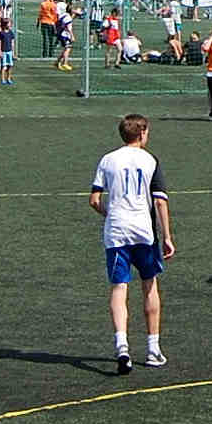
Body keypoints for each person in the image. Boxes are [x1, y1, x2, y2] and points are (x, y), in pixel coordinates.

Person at [91, 114, 174, 373]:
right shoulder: (150, 160)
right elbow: (159, 201)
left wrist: (111, 214)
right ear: (142, 133)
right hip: (143, 231)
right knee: (149, 285)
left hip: (116, 232)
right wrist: (168, 236)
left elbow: (94, 200)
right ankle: (152, 349)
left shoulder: (108, 159)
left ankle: (122, 348)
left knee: (119, 288)